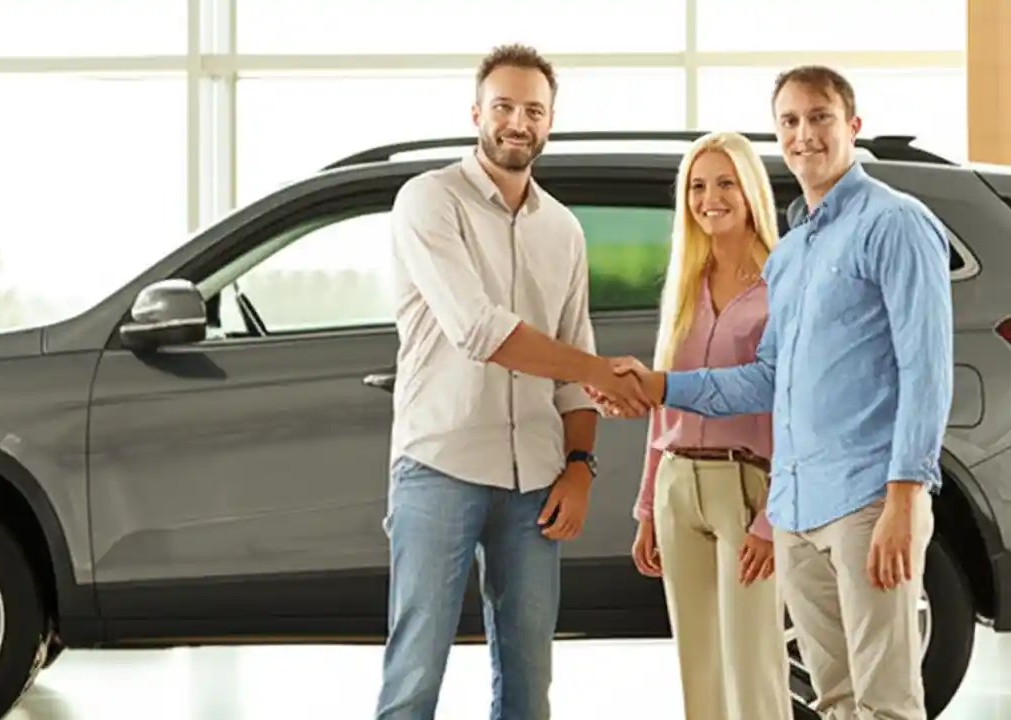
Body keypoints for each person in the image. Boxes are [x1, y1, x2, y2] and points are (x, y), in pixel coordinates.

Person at [605, 65, 953, 720]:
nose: (804, 134)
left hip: (866, 502)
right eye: (789, 122)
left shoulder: (896, 224)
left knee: (887, 701)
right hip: (796, 510)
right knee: (835, 700)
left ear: (852, 125)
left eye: (819, 117)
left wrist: (906, 497)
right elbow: (765, 379)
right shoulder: (790, 257)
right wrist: (659, 386)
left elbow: (925, 367)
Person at [374, 43, 650, 720]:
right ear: (477, 113)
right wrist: (597, 373)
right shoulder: (429, 201)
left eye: (533, 110)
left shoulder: (563, 229)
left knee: (530, 682)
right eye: (503, 107)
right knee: (415, 673)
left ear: (550, 122)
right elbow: (478, 329)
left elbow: (572, 355)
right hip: (440, 464)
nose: (517, 122)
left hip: (537, 483)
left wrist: (581, 465)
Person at [628, 130, 793, 720]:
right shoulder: (684, 285)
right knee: (699, 674)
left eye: (725, 182)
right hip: (678, 489)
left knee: (754, 669)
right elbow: (661, 403)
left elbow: (791, 409)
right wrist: (648, 508)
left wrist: (773, 520)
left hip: (748, 491)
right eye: (697, 186)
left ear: (750, 191)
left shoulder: (783, 286)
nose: (710, 197)